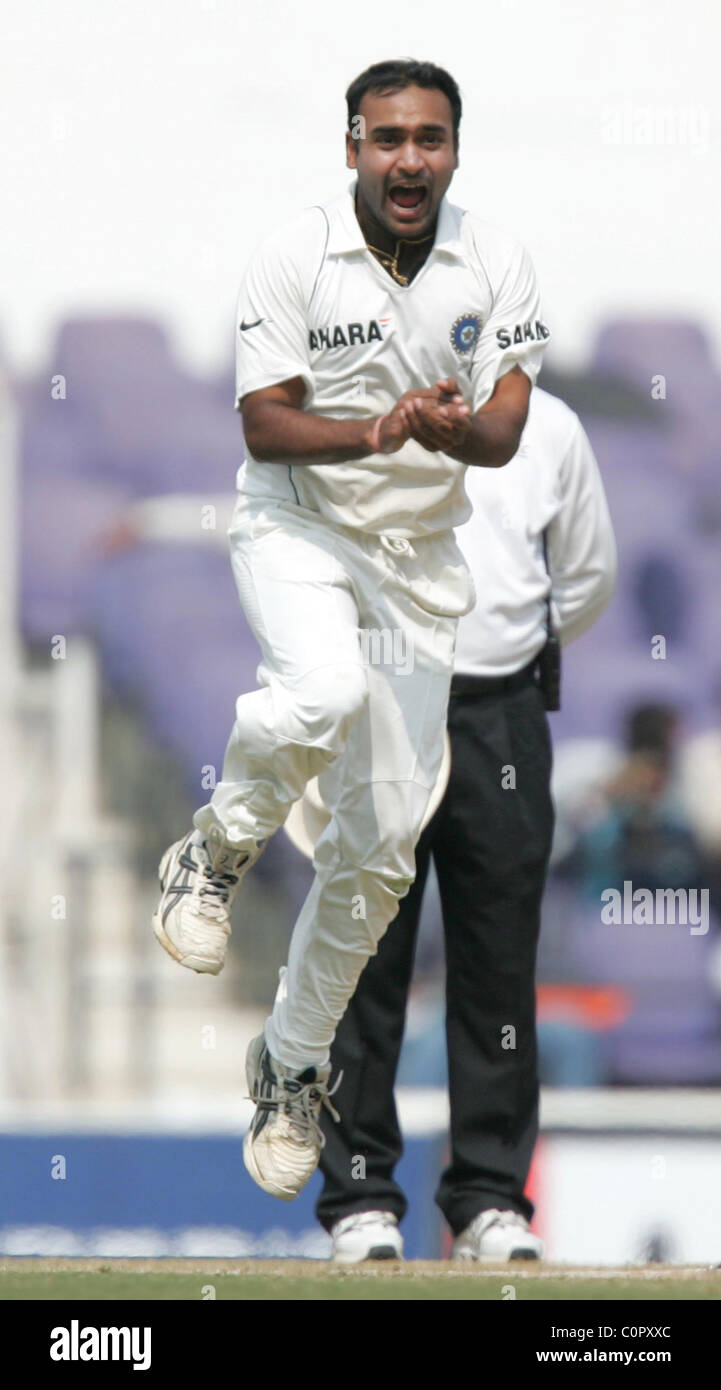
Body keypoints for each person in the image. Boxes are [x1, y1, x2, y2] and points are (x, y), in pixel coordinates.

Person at [152, 58, 550, 1201]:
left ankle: (288, 1066)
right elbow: (264, 423)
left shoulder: (497, 260)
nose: (408, 159)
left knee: (377, 853)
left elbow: (505, 432)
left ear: (454, 151)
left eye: (429, 139)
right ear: (351, 148)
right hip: (300, 530)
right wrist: (384, 426)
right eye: (387, 139)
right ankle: (218, 847)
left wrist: (450, 427)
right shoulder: (294, 255)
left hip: (417, 567)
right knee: (317, 696)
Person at [315, 387, 617, 1262]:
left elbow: (587, 574)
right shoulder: (358, 410)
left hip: (500, 714)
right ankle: (360, 1200)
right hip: (380, 704)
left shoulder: (552, 427)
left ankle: (489, 1200)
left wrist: (509, 650)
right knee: (365, 955)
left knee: (496, 962)